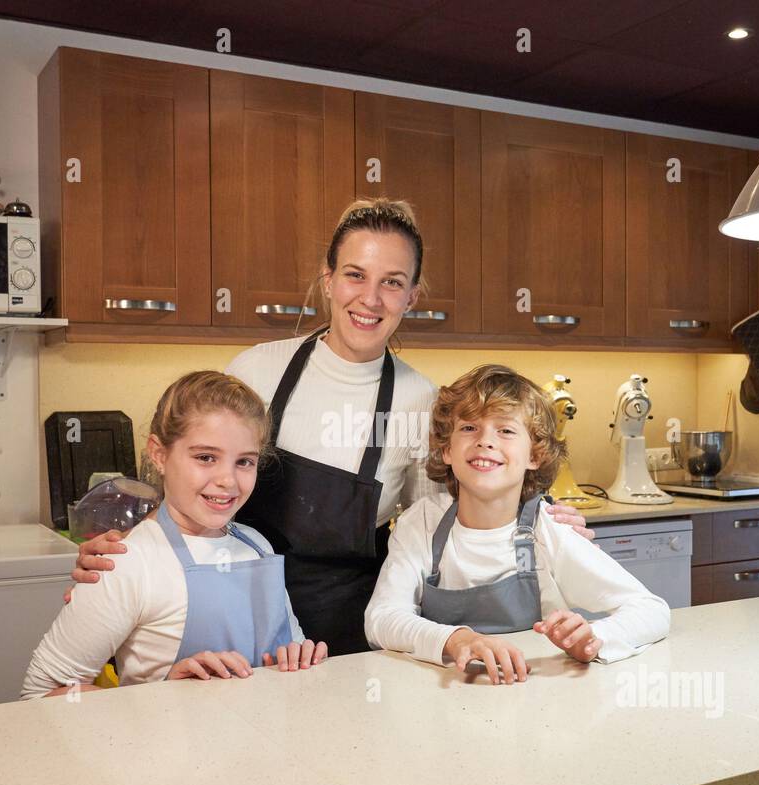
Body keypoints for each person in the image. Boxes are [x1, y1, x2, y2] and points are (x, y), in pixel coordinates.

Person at [71, 198, 596, 656]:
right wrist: (132, 547)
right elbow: (190, 480)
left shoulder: (422, 401)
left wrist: (535, 520)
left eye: (393, 283)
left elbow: (447, 518)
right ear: (328, 280)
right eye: (354, 275)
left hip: (347, 630)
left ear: (412, 296)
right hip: (235, 610)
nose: (370, 299)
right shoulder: (257, 369)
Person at [22, 371, 325, 699]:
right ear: (159, 453)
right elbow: (39, 693)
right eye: (205, 457)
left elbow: (288, 651)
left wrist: (298, 658)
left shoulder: (257, 546)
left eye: (244, 462)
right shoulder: (128, 562)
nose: (228, 480)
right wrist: (162, 697)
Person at [365, 365, 670, 685]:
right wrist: (458, 640)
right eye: (469, 428)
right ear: (447, 450)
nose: (485, 441)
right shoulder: (422, 524)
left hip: (535, 697)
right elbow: (382, 618)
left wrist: (593, 637)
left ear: (534, 455)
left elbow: (651, 610)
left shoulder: (548, 529)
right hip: (443, 701)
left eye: (506, 430)